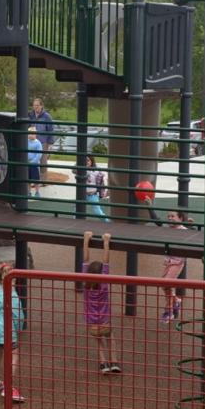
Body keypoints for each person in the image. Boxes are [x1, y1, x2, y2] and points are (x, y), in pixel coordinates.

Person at [81, 232, 120, 374]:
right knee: (111, 338)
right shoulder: (104, 283)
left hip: (92, 321)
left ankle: (103, 363)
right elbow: (106, 261)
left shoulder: (86, 283)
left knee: (98, 342)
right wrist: (106, 241)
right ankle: (114, 362)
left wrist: (86, 239)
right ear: (102, 272)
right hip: (105, 319)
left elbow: (85, 259)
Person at [0, 261, 26, 403]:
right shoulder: (12, 294)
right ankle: (8, 387)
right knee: (13, 355)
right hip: (8, 331)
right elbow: (17, 315)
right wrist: (19, 328)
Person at [160, 211, 189, 323]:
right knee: (164, 286)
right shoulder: (168, 229)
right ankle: (176, 301)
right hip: (168, 261)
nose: (170, 218)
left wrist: (191, 224)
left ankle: (169, 311)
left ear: (180, 219)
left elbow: (193, 235)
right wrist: (149, 206)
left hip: (177, 261)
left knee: (166, 284)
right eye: (168, 216)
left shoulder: (183, 230)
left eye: (173, 216)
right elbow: (157, 221)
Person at [79, 154, 108, 220]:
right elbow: (73, 170)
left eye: (88, 160)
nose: (86, 162)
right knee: (77, 210)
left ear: (92, 161)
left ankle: (107, 222)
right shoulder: (80, 170)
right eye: (84, 160)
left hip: (92, 195)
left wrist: (103, 192)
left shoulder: (96, 171)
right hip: (82, 195)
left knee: (98, 212)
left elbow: (102, 181)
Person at [26, 126, 43, 196]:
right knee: (28, 179)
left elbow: (39, 154)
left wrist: (33, 161)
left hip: (35, 164)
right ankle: (28, 192)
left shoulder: (38, 143)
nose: (30, 135)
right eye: (29, 133)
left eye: (32, 134)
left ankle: (37, 192)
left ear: (35, 134)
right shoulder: (26, 142)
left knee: (36, 179)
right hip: (27, 163)